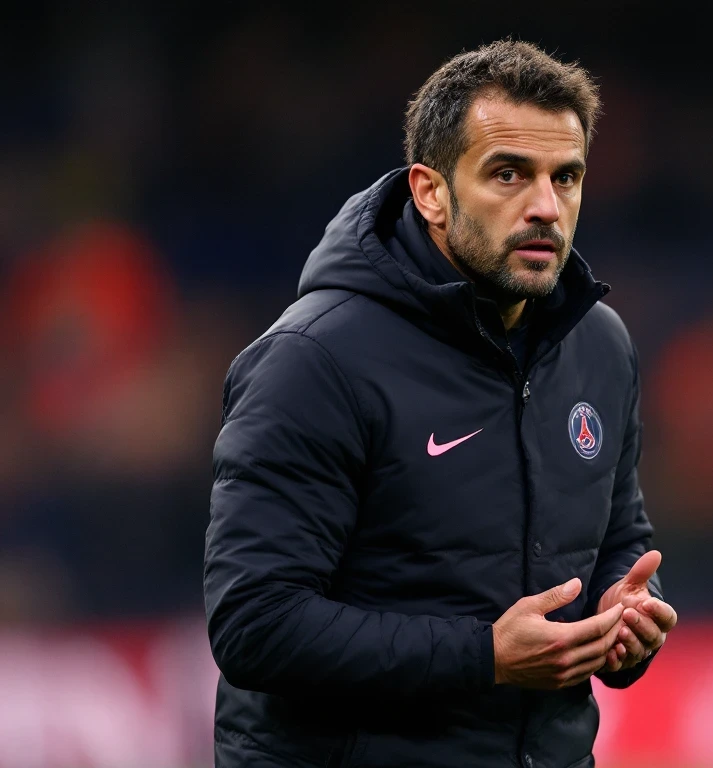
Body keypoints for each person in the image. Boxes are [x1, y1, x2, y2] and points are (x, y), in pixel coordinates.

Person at [203, 39, 676, 768]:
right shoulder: (316, 360)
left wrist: (624, 618)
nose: (546, 206)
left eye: (567, 176)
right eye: (509, 174)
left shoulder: (599, 345)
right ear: (430, 191)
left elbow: (619, 540)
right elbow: (255, 625)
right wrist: (484, 655)